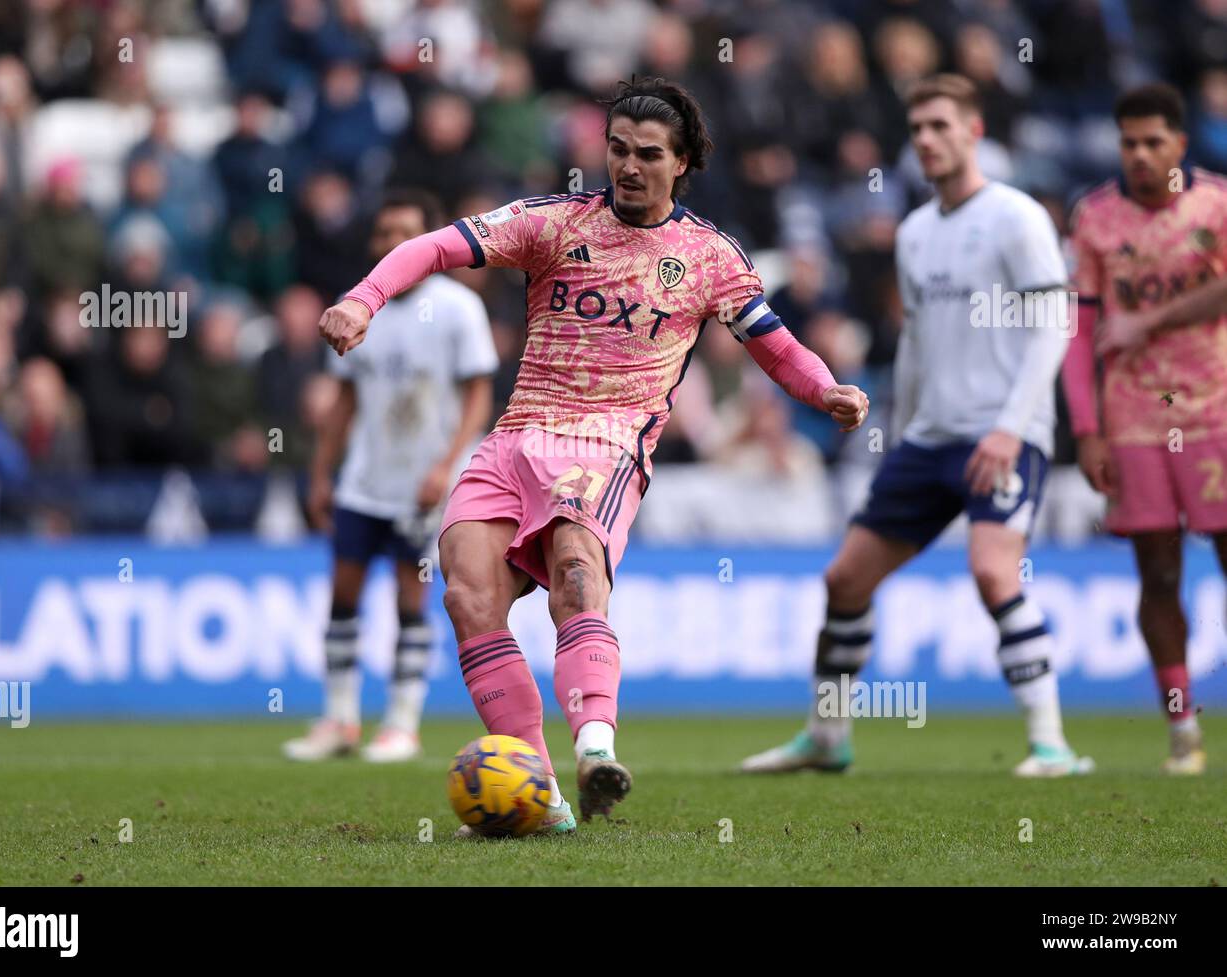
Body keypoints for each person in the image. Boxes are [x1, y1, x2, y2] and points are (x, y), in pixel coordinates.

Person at [319, 76, 867, 833]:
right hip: (513, 439)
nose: (628, 166)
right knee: (466, 594)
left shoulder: (709, 258)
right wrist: (363, 299)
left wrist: (827, 389)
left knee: (576, 573)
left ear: (683, 163)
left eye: (648, 154)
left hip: (605, 445)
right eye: (617, 149)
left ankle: (595, 751)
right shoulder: (552, 224)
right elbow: (437, 244)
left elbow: (775, 348)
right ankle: (537, 786)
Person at [743, 74, 1093, 778]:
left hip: (1003, 432)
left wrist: (1013, 427)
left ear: (974, 131)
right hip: (928, 438)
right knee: (845, 578)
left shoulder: (1017, 217)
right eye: (918, 129)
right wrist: (894, 427)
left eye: (941, 125)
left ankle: (1052, 744)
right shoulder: (914, 232)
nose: (928, 140)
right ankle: (827, 735)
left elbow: (1055, 324)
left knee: (995, 572)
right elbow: (918, 343)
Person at [284, 189, 496, 764]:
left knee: (412, 598)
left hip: (423, 483)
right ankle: (339, 720)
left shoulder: (458, 308)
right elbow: (345, 399)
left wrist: (449, 466)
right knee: (343, 597)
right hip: (363, 480)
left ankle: (402, 722)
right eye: (383, 233)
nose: (392, 242)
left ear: (430, 241)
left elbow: (479, 393)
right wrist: (321, 472)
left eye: (406, 231)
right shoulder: (358, 307)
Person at [1063, 83, 1227, 775]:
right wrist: (1087, 429)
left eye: (1153, 141)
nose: (1139, 154)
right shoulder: (1095, 218)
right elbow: (1083, 329)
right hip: (1134, 417)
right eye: (1128, 142)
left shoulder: (1217, 203)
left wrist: (1154, 320)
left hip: (1217, 406)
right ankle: (1182, 728)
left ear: (1179, 145)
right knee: (1158, 571)